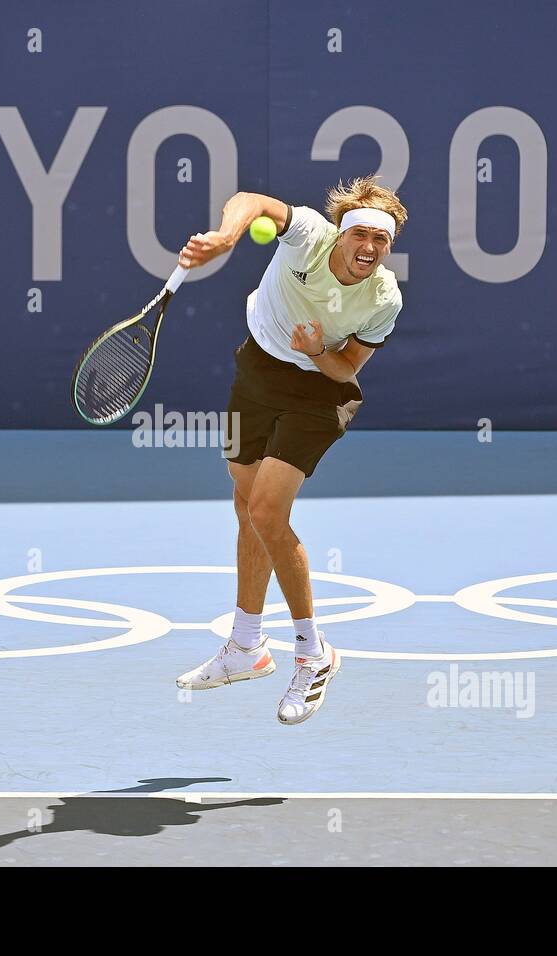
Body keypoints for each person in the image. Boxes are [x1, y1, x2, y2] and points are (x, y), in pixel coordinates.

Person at [173, 176, 407, 725]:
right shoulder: (307, 236)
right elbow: (252, 201)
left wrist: (317, 350)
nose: (370, 249)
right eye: (362, 236)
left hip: (320, 394)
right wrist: (228, 237)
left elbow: (347, 369)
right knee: (243, 498)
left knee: (266, 513)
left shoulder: (384, 298)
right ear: (342, 234)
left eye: (383, 240)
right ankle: (247, 646)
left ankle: (312, 652)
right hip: (256, 370)